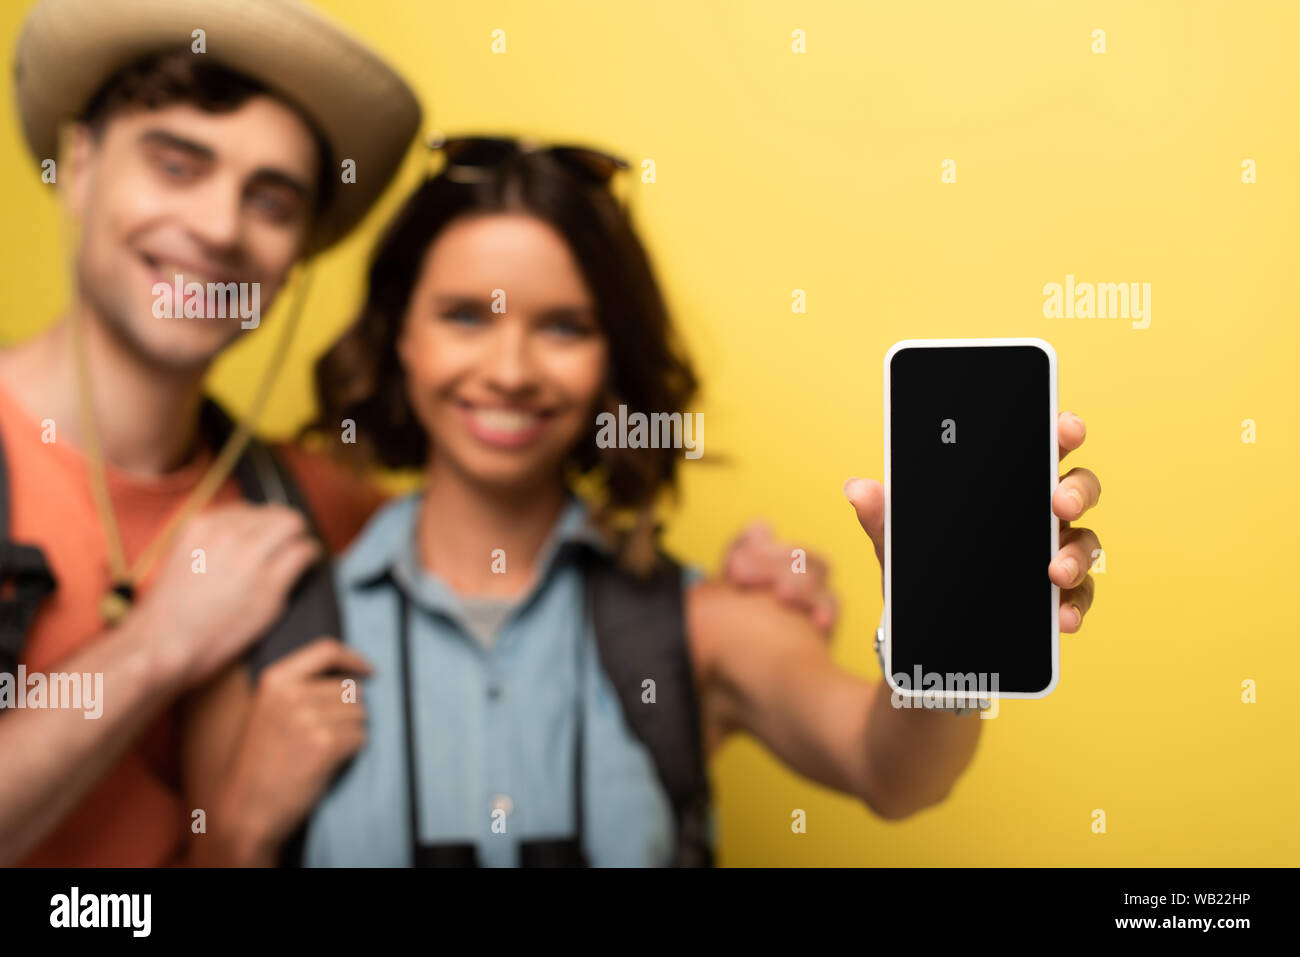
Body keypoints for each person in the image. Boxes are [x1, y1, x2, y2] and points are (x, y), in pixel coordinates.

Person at [0, 1, 841, 868]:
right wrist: (159, 644)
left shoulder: (316, 511)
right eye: (177, 165)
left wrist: (743, 592)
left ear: (302, 252)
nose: (219, 226)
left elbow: (511, 559)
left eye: (273, 198)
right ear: (82, 160)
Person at [185, 137, 1103, 866]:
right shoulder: (275, 628)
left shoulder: (703, 622)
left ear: (611, 360)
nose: (509, 370)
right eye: (467, 315)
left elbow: (894, 775)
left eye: (564, 327)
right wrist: (236, 835)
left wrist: (950, 622)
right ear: (398, 340)